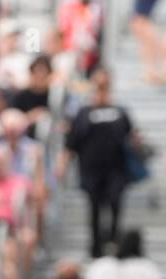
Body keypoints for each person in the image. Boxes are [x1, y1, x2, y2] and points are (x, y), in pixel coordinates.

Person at [60, 69, 136, 258]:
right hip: (91, 170)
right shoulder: (84, 113)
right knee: (94, 208)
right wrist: (62, 164)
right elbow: (72, 143)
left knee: (115, 203)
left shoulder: (120, 112)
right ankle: (95, 247)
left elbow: (131, 137)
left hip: (116, 169)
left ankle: (113, 240)